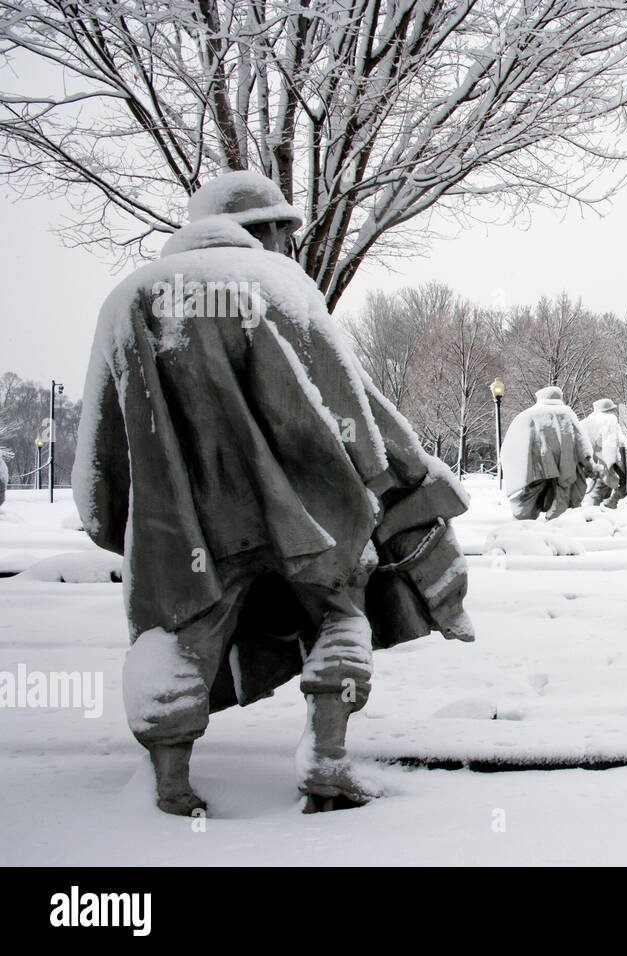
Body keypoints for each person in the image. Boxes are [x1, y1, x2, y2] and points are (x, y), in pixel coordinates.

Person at [73, 170, 474, 815]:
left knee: (177, 636)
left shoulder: (128, 300)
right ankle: (327, 758)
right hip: (309, 515)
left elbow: (102, 437)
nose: (286, 245)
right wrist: (399, 475)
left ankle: (170, 782)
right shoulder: (283, 288)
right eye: (282, 232)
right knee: (340, 618)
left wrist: (116, 517)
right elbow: (351, 408)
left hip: (186, 523)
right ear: (263, 231)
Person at [501, 386, 599, 520]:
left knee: (532, 493)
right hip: (564, 464)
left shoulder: (527, 415)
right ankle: (557, 520)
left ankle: (523, 519)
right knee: (562, 493)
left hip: (537, 466)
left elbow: (513, 445)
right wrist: (589, 465)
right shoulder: (566, 413)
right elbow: (581, 443)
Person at [580, 398, 627, 509]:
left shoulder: (584, 423)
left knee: (601, 486)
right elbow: (612, 443)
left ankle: (596, 508)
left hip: (595, 462)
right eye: (612, 409)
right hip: (612, 460)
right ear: (608, 410)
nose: (613, 411)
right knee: (624, 484)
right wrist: (611, 463)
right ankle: (608, 504)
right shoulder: (609, 419)